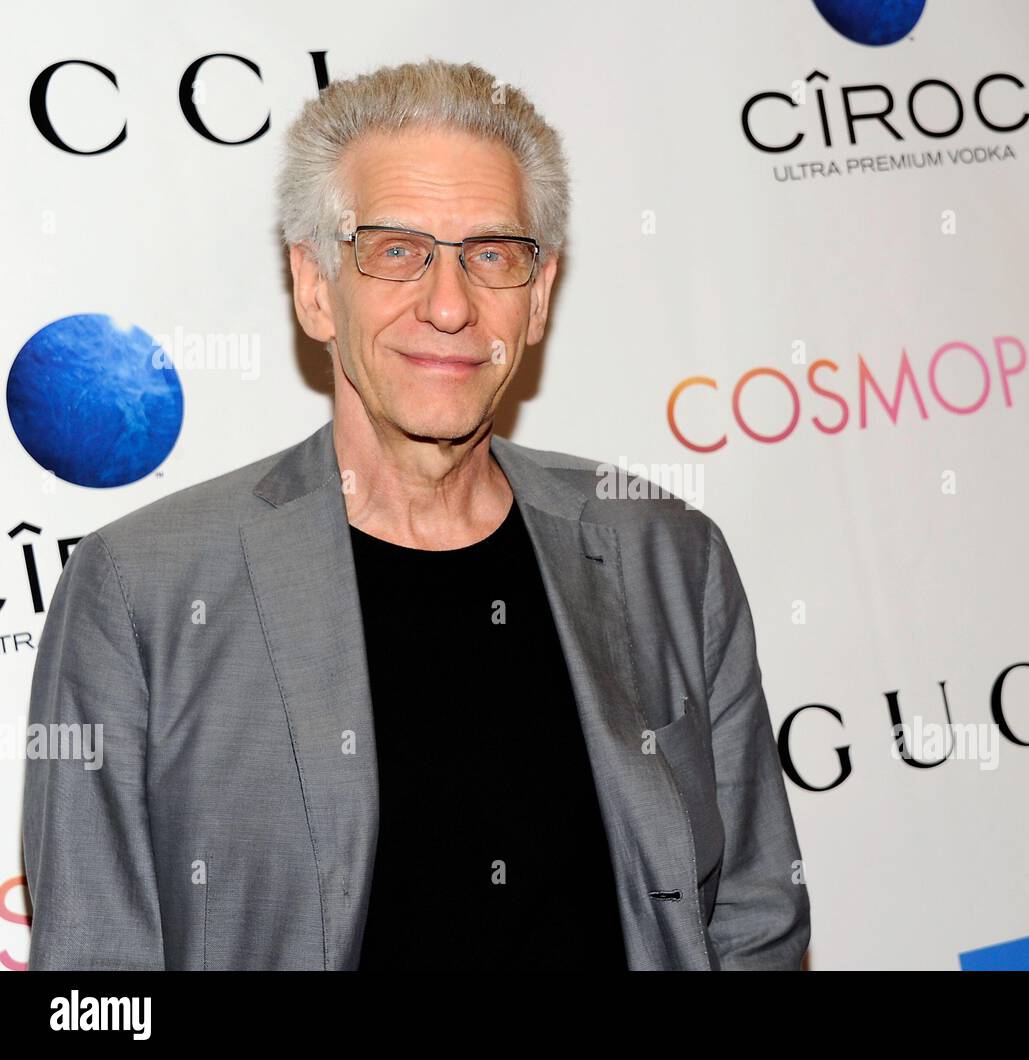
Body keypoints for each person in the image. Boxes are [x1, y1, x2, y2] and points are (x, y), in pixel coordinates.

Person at [21, 57, 810, 970]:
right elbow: (94, 974)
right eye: (395, 250)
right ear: (316, 288)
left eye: (492, 254)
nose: (448, 305)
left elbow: (755, 920)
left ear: (540, 293)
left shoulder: (667, 553)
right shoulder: (143, 590)